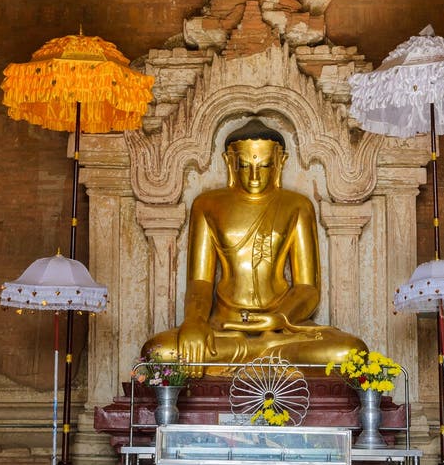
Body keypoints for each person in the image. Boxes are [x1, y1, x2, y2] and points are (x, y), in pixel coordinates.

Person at [142, 118, 367, 372]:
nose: (254, 176)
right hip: (225, 330)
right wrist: (194, 322)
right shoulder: (207, 205)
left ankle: (259, 355)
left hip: (281, 331)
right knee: (159, 352)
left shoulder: (298, 206)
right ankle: (266, 360)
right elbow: (200, 282)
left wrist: (278, 318)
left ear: (280, 163)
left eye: (265, 165)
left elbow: (307, 288)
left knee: (350, 351)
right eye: (245, 166)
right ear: (230, 162)